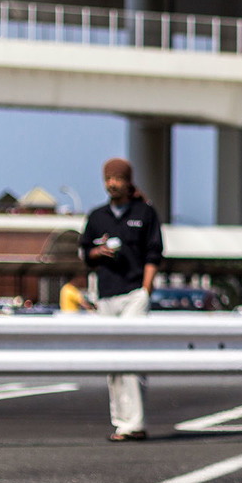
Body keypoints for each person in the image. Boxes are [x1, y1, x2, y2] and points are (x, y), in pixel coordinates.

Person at [80, 157, 163, 441]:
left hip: (134, 294)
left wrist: (146, 289)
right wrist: (96, 252)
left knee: (132, 358)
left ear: (128, 181)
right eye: (108, 179)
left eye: (117, 179)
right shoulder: (97, 216)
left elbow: (155, 253)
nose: (112, 184)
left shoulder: (145, 212)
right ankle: (121, 422)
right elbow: (84, 254)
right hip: (106, 295)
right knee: (112, 362)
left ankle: (135, 423)